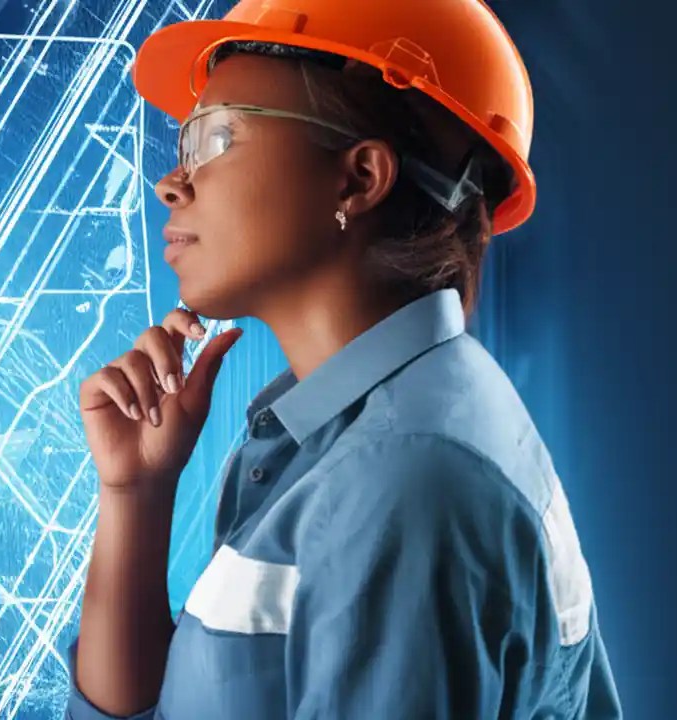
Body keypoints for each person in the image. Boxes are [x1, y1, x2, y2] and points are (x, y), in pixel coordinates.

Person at [65, 0, 622, 718]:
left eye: (216, 138)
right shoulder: (341, 436)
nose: (173, 183)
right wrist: (135, 495)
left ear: (359, 178)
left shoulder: (405, 479)